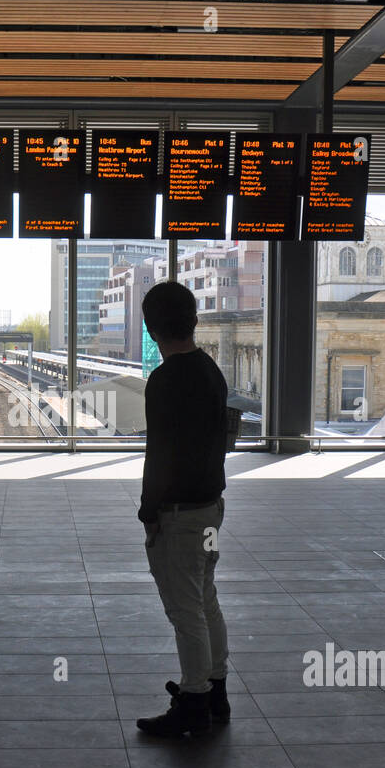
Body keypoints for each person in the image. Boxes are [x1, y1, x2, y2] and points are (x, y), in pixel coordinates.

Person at [134, 282, 230, 738]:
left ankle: (194, 703)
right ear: (194, 321)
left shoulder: (165, 380)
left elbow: (161, 454)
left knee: (184, 610)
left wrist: (148, 513)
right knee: (206, 600)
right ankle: (216, 689)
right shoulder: (211, 371)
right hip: (211, 507)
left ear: (152, 329)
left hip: (180, 514)